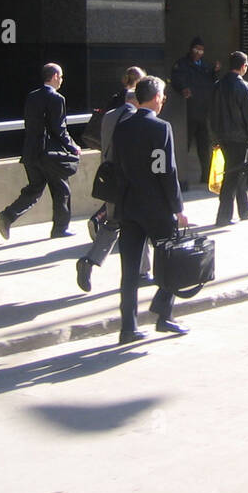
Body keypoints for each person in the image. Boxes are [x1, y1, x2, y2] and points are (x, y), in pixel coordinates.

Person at [111, 76, 190, 343]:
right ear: (155, 97)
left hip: (129, 207)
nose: (163, 100)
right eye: (163, 95)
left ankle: (128, 327)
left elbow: (117, 168)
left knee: (130, 270)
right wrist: (177, 207)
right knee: (171, 262)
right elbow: (166, 171)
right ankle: (163, 314)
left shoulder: (122, 127)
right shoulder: (161, 127)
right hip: (156, 208)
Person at [75, 77, 151, 292]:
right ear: (137, 101)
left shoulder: (109, 116)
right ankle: (143, 272)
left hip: (110, 178)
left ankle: (89, 262)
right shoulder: (133, 118)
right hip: (128, 180)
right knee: (140, 224)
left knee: (112, 223)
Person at [0, 63, 80, 240]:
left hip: (30, 151)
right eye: (61, 77)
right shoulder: (57, 99)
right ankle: (60, 229)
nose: (62, 80)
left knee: (34, 189)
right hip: (49, 154)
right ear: (55, 77)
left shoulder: (31, 96)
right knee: (61, 190)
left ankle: (8, 215)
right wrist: (73, 146)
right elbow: (59, 128)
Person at [209, 50, 248, 226]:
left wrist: (214, 136)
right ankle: (224, 216)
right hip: (239, 138)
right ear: (243, 66)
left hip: (222, 136)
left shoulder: (217, 85)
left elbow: (212, 113)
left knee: (238, 171)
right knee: (233, 174)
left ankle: (244, 207)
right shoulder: (245, 88)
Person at [170, 37, 221, 187]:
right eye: (196, 49)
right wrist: (183, 89)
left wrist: (215, 72)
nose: (198, 52)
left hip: (203, 111)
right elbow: (176, 79)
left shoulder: (205, 66)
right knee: (183, 146)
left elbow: (211, 83)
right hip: (188, 111)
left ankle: (206, 175)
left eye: (201, 50)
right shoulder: (182, 64)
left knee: (204, 146)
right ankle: (179, 177)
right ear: (191, 49)